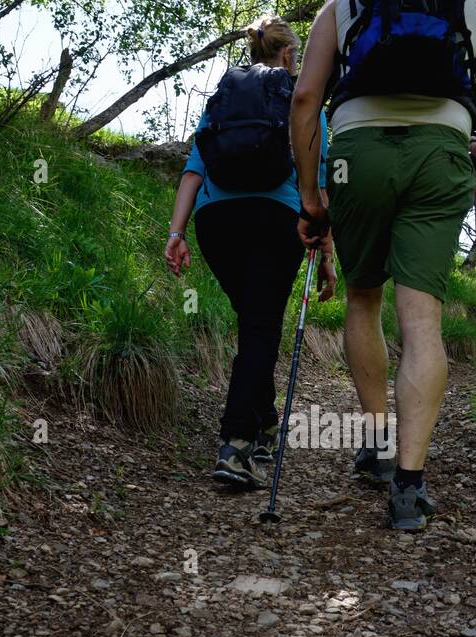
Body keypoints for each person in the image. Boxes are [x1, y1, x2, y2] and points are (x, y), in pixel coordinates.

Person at [289, 0, 476, 530]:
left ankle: (376, 443)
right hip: (440, 153)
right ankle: (409, 486)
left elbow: (306, 97)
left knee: (364, 296)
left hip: (357, 154)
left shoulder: (340, 7)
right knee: (422, 319)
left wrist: (309, 197)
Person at [166, 15, 337, 490]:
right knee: (261, 328)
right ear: (288, 56)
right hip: (276, 219)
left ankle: (262, 421)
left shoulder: (220, 100)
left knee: (253, 323)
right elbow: (319, 189)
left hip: (215, 223)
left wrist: (175, 233)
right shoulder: (305, 103)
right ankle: (237, 446)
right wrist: (326, 255)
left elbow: (192, 171)